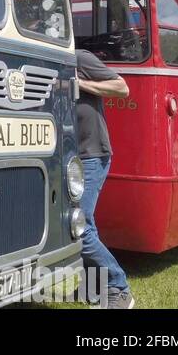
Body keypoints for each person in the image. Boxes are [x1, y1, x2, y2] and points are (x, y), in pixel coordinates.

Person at [76, 49, 133, 309]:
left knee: (80, 225)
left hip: (92, 156)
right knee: (84, 223)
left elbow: (122, 88)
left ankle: (118, 287)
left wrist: (80, 84)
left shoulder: (80, 58)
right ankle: (93, 287)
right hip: (70, 158)